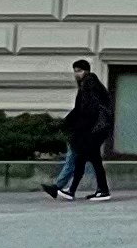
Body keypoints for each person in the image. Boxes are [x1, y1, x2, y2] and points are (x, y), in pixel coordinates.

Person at [48, 59, 114, 201]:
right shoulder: (89, 83)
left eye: (79, 71)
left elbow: (87, 110)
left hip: (92, 130)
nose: (76, 74)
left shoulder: (88, 83)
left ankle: (102, 191)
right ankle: (72, 191)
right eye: (75, 71)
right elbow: (81, 109)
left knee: (92, 160)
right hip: (95, 130)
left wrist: (73, 126)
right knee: (83, 160)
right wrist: (66, 122)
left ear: (86, 71)